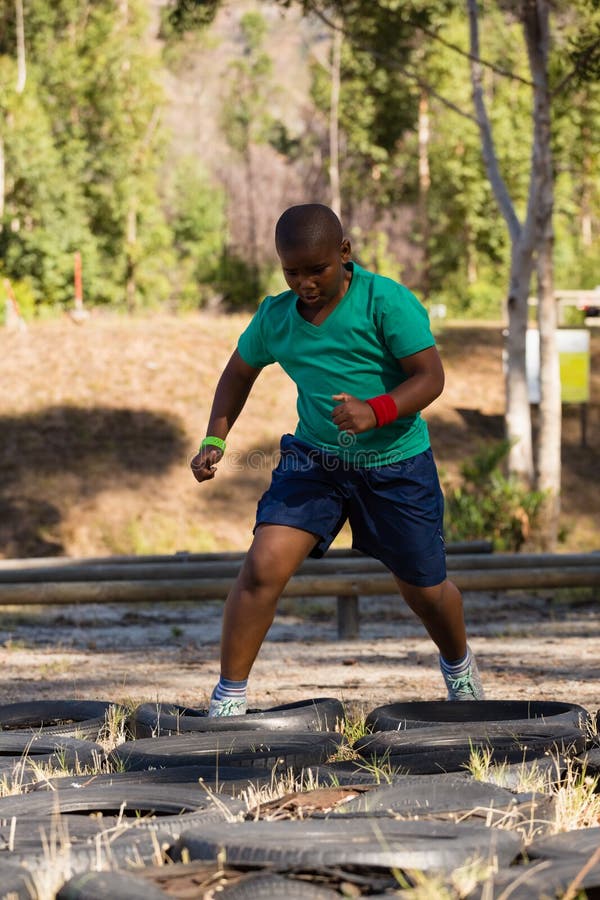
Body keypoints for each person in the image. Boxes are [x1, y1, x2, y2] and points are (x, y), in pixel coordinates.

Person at [191, 203, 484, 716]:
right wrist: (215, 441)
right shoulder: (275, 318)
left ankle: (459, 670)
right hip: (315, 462)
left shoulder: (385, 303)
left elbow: (430, 377)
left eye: (317, 269)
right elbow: (237, 373)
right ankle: (229, 699)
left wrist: (378, 410)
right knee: (262, 566)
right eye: (292, 271)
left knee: (426, 591)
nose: (304, 282)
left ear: (344, 253)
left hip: (396, 463)